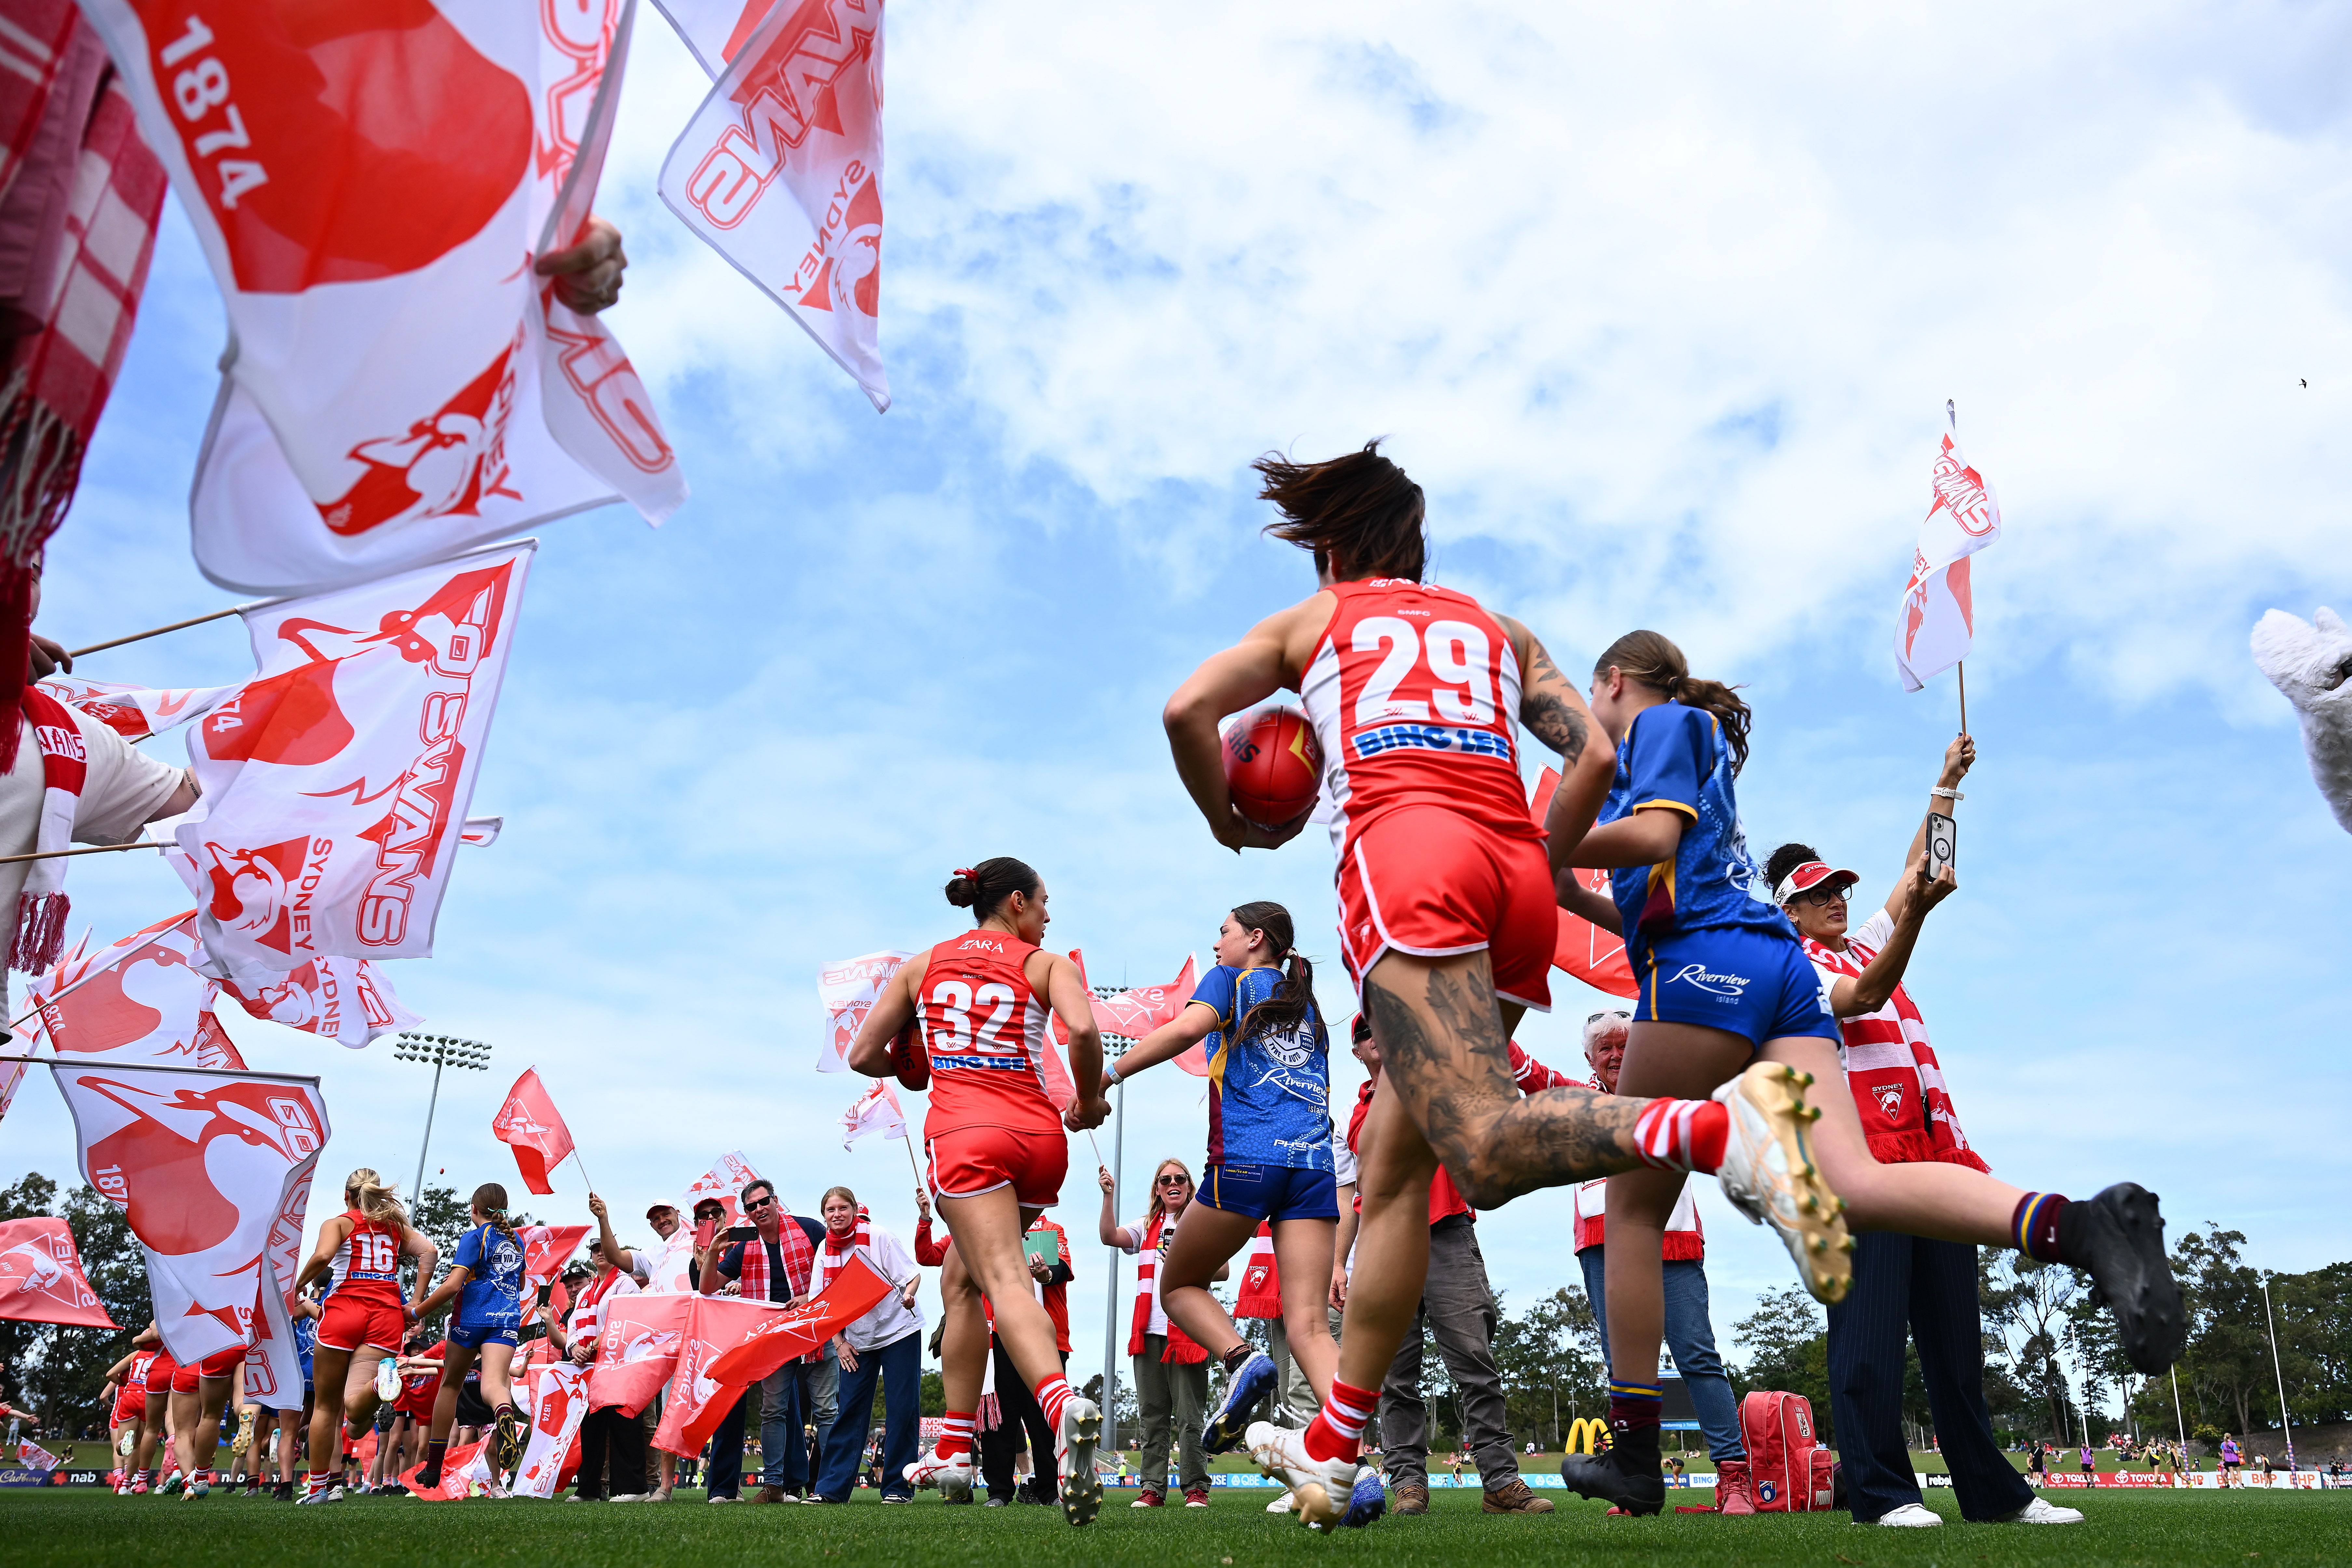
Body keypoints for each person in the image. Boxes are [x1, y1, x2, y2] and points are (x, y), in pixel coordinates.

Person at [1161, 444, 1858, 1530]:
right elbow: (1594, 759)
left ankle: (1726, 1141)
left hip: (1413, 861)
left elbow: (1185, 713)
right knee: (1395, 1170)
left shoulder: (1317, 624)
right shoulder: (1499, 629)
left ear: (1335, 547)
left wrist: (1230, 823)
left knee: (1480, 1150)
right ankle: (1338, 1449)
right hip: (1515, 872)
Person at [1556, 629, 2187, 1514]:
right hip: (1770, 972)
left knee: (1628, 1203)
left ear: (1612, 681)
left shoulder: (1658, 725)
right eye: (1819, 891)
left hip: (1711, 966)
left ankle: (1632, 1453)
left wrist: (1543, 840)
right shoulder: (1701, 781)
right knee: (1850, 1183)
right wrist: (1564, 883)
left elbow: (1651, 841)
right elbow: (1653, 889)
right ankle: (2076, 1228)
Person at [1769, 736, 2088, 1529]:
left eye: (1840, 886)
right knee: (1868, 1342)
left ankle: (1992, 1494)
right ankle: (1881, 1492)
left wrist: (1942, 788)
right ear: (1787, 910)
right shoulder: (1790, 966)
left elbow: (1917, 868)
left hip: (1934, 1160)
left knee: (1955, 1347)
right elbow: (1870, 985)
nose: (1837, 899)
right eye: (1818, 892)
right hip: (1862, 1169)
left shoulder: (1864, 936)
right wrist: (1916, 907)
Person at [847, 857, 1110, 1525]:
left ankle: (1059, 1407)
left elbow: (862, 1056)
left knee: (1001, 1280)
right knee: (962, 1280)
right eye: (1044, 903)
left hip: (968, 1135)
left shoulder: (923, 964)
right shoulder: (1047, 964)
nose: (1049, 916)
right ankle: (958, 1451)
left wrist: (917, 1059)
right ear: (1016, 902)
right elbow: (1082, 1031)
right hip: (1041, 1139)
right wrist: (1088, 1100)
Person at [1102, 900, 1344, 1474]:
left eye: (1225, 931)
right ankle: (1348, 1464)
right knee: (1309, 1325)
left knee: (1179, 1283)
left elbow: (1187, 1029)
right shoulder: (1304, 1003)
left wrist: (1108, 1075)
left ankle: (1242, 1359)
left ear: (1255, 938)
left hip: (1247, 1163)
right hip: (1313, 1170)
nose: (1217, 944)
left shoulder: (1231, 980)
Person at [1347, 1013, 1557, 1516]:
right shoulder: (1359, 1115)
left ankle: (1501, 1481)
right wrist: (1340, 1265)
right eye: (1366, 1032)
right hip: (1385, 1244)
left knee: (1475, 1362)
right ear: (1358, 1051)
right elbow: (1359, 1191)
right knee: (1397, 1376)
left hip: (1447, 1233)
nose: (1379, 1036)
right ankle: (1408, 1486)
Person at [1568, 1007, 1755, 1513]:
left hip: (1669, 1237)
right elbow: (1525, 1078)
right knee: (1624, 1366)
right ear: (1589, 1057)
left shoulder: (1666, 1091)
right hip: (1602, 1242)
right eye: (1604, 1047)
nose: (1615, 1055)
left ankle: (1734, 1477)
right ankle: (1634, 1481)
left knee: (1696, 1354)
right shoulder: (1575, 1101)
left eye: (1624, 1045)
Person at [291, 1169, 437, 1504]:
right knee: (355, 1410)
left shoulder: (339, 1222)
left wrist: (299, 1284)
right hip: (386, 1315)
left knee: (325, 1408)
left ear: (347, 1196)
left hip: (343, 1312)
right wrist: (416, 1300)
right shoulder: (395, 1227)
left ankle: (317, 1489)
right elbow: (429, 1251)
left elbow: (323, 1256)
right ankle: (378, 1387)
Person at [697, 1177, 826, 1502]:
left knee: (826, 1410)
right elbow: (707, 1287)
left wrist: (808, 1296)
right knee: (773, 1410)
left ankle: (829, 1485)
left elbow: (835, 1269)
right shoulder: (743, 1246)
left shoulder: (811, 1229)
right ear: (746, 1213)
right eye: (751, 1206)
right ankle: (774, 1487)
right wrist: (713, 1250)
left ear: (776, 1199)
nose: (759, 1209)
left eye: (763, 1201)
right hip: (769, 1336)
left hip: (815, 1328)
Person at [1099, 1158, 1218, 1506]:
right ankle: (1152, 1487)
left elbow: (1223, 1270)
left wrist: (1186, 1256)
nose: (1172, 1183)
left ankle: (1196, 1487)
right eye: (1165, 1179)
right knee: (1152, 1416)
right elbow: (1109, 1236)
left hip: (1188, 1330)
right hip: (1148, 1332)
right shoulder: (1145, 1225)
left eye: (1180, 1178)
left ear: (1189, 1184)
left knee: (1189, 1416)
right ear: (1157, 1188)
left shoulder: (1201, 1221)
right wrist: (1109, 1196)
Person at [406, 1184, 527, 1493]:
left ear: (474, 1210)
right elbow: (521, 1284)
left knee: (450, 1385)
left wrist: (417, 1312)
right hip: (507, 1320)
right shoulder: (517, 1241)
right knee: (495, 1386)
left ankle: (434, 1467)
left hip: (470, 1320)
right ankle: (504, 1413)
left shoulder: (474, 1238)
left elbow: (451, 1286)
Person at [809, 1188, 926, 1505]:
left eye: (843, 1207)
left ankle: (898, 1489)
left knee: (902, 1409)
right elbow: (821, 1303)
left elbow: (912, 1275)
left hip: (898, 1328)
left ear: (854, 1209)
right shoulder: (825, 1249)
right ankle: (831, 1489)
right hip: (856, 1339)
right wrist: (839, 1342)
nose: (837, 1214)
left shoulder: (878, 1236)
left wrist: (909, 1295)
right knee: (849, 1411)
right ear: (825, 1214)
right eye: (831, 1209)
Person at [976, 1209, 1074, 1507]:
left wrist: (1045, 1274)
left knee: (1044, 1418)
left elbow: (1062, 1270)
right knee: (999, 1419)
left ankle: (1048, 1491)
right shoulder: (990, 1228)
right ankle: (999, 1492)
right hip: (998, 1337)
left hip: (1045, 1338)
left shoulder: (1052, 1229)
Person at [554, 1223, 653, 1501]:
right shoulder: (586, 1292)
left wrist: (597, 1343)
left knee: (624, 1425)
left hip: (619, 1363)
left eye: (604, 1249)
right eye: (595, 1250)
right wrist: (575, 1348)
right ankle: (589, 1489)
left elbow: (631, 1322)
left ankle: (633, 1488)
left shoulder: (626, 1284)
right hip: (588, 1369)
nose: (600, 1254)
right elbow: (572, 1328)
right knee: (591, 1430)